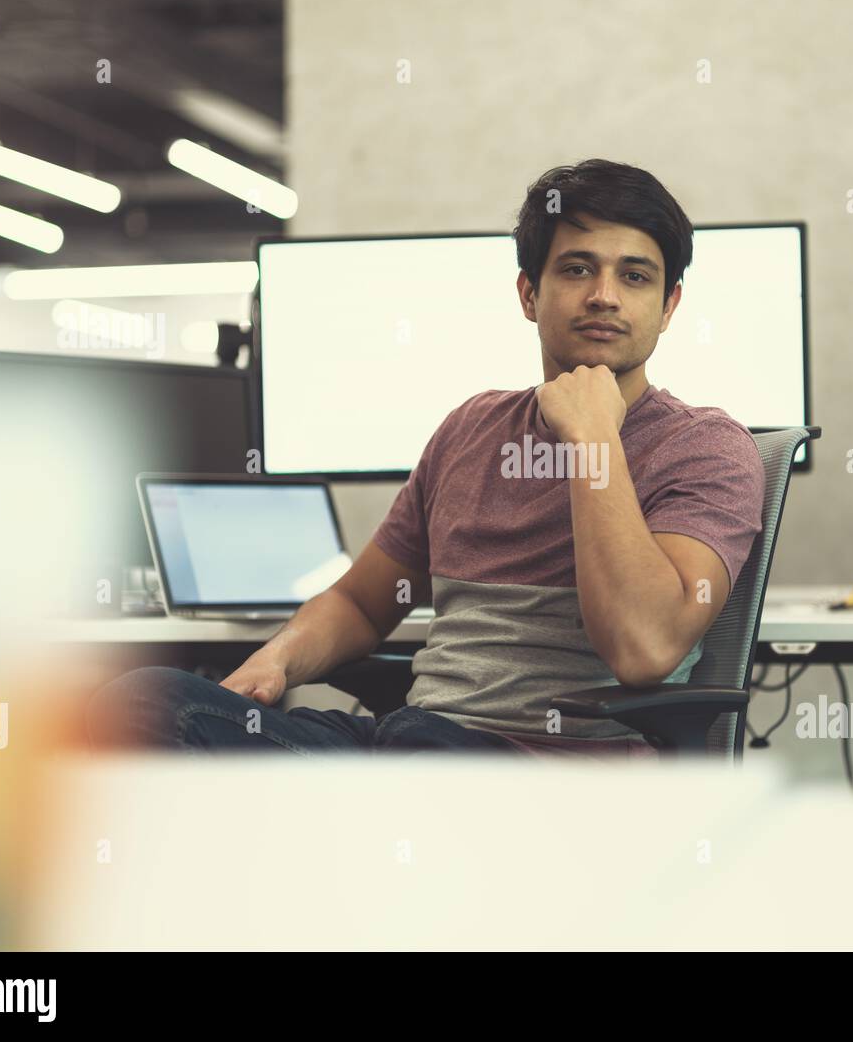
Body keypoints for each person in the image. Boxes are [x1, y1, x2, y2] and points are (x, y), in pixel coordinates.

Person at [86, 158, 765, 759]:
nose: (604, 295)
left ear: (669, 305)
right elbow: (361, 601)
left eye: (636, 276)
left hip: (547, 773)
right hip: (413, 741)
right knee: (147, 701)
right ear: (529, 294)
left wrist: (594, 442)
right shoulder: (471, 428)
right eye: (578, 267)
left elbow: (644, 647)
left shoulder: (706, 446)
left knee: (411, 751)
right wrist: (279, 659)